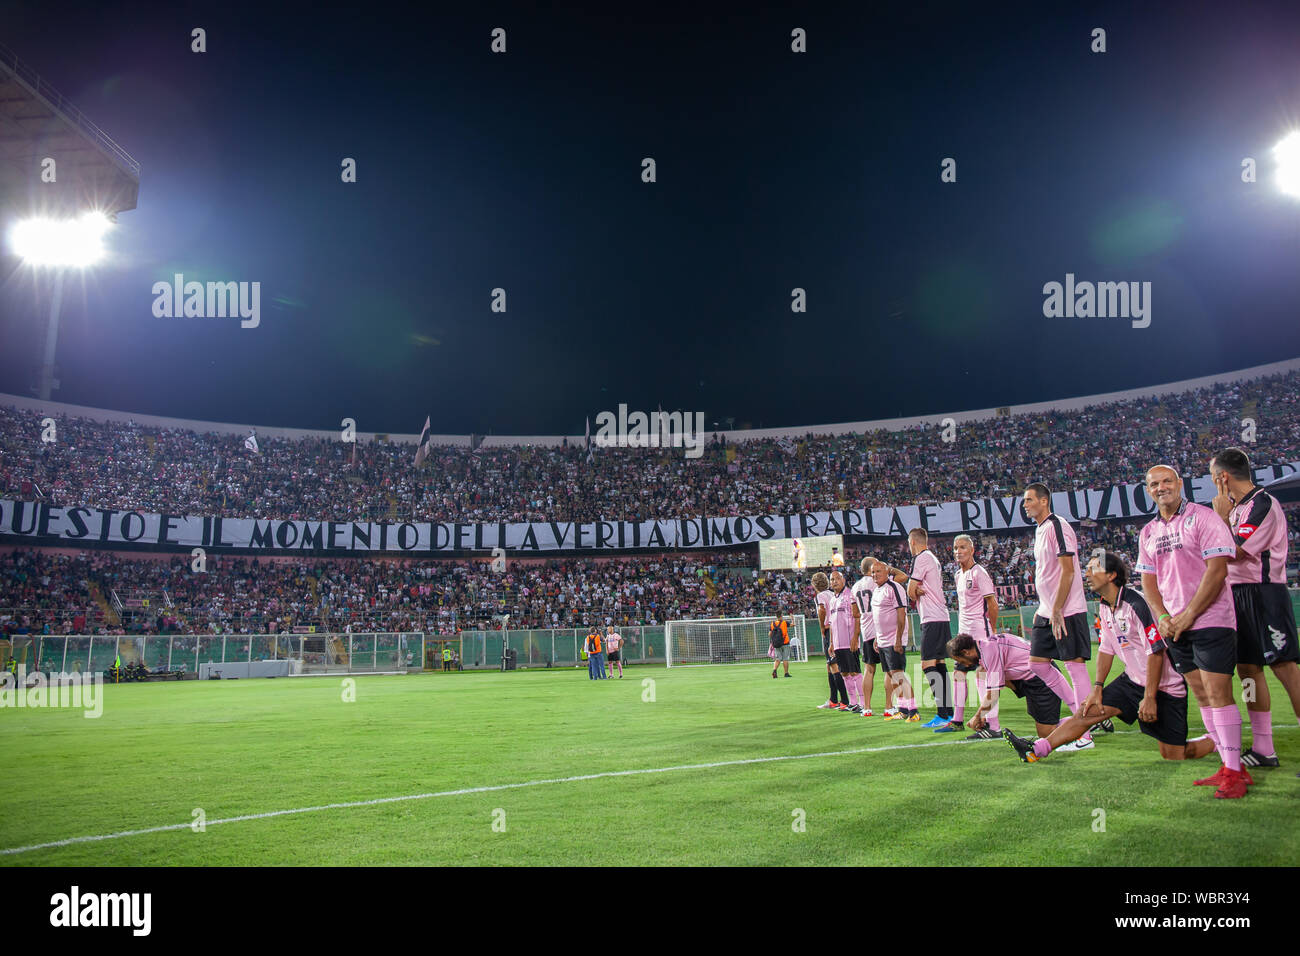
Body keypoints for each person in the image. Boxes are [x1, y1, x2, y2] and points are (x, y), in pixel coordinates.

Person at [1005, 551, 1217, 763]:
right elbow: (1106, 650)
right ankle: (1036, 749)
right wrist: (1097, 687)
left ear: (1111, 575)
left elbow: (1156, 652)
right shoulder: (1106, 606)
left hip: (1163, 688)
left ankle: (1219, 742)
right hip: (1132, 682)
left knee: (1174, 754)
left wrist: (1150, 697)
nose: (1086, 573)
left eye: (1093, 568)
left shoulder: (1137, 604)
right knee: (1087, 712)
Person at [1136, 464, 1248, 799]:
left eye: (1167, 481)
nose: (1161, 487)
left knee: (1219, 695)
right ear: (1148, 490)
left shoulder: (1203, 518)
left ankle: (1236, 772)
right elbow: (1148, 582)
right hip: (1175, 627)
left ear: (1180, 484)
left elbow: (1217, 572)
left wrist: (1188, 615)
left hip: (1211, 619)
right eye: (1154, 484)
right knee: (1201, 696)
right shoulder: (1148, 532)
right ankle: (1227, 765)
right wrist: (1164, 616)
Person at [1210, 447, 1299, 770]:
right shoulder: (1237, 507)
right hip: (1236, 595)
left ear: (1222, 477)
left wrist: (1219, 517)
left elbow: (1234, 549)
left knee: (1285, 668)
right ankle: (1264, 748)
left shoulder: (1261, 503)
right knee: (1248, 670)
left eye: (1212, 476)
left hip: (1263, 595)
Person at [1022, 482, 1094, 749]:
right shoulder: (1039, 530)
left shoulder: (1057, 526)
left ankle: (1085, 732)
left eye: (1029, 500)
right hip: (1047, 610)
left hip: (1067, 610)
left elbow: (1068, 570)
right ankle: (1078, 712)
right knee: (1037, 664)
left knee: (1075, 667)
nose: (1025, 505)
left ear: (1044, 501)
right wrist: (1045, 609)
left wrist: (1057, 609)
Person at [948, 632, 1070, 741]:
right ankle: (1081, 723)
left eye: (962, 660)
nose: (965, 664)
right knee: (1042, 726)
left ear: (966, 652)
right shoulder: (985, 646)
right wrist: (983, 713)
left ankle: (1084, 723)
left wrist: (978, 716)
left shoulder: (989, 652)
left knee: (1045, 733)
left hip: (1041, 679)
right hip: (1029, 678)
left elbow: (993, 694)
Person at [947, 534, 1000, 738]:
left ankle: (991, 724)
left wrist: (992, 631)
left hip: (980, 633)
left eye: (962, 547)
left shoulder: (979, 573)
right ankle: (957, 720)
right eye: (955, 548)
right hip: (964, 634)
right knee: (959, 674)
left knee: (983, 676)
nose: (958, 551)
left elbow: (992, 604)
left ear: (972, 550)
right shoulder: (958, 575)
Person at [871, 560, 918, 720]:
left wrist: (898, 639)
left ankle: (913, 711)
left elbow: (901, 614)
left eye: (878, 571)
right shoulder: (877, 590)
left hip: (893, 639)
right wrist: (877, 637)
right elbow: (879, 616)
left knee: (898, 674)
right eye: (873, 572)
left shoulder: (894, 587)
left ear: (887, 573)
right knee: (892, 675)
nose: (875, 575)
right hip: (883, 640)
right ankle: (903, 709)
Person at [851, 557, 890, 716]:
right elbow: (901, 578)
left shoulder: (855, 587)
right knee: (888, 670)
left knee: (869, 670)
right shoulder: (877, 581)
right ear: (871, 567)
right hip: (881, 631)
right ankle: (889, 707)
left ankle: (866, 707)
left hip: (867, 631)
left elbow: (855, 613)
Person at [826, 570, 863, 712]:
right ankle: (852, 702)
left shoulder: (850, 595)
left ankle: (863, 702)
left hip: (849, 641)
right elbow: (831, 623)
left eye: (837, 578)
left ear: (843, 580)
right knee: (844, 673)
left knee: (854, 672)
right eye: (832, 579)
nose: (834, 581)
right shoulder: (832, 599)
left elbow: (857, 616)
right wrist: (831, 643)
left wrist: (855, 637)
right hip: (837, 643)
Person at [813, 572, 851, 711]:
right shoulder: (831, 593)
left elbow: (821, 609)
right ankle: (833, 699)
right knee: (829, 665)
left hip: (830, 629)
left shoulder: (820, 596)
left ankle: (845, 700)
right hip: (837, 628)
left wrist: (822, 626)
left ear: (814, 585)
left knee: (834, 666)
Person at [769, 610, 792, 678]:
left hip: (776, 643)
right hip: (785, 643)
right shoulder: (784, 622)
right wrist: (792, 618)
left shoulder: (772, 623)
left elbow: (769, 634)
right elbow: (793, 624)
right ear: (781, 615)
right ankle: (786, 673)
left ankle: (774, 670)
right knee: (785, 658)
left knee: (778, 658)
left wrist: (775, 638)